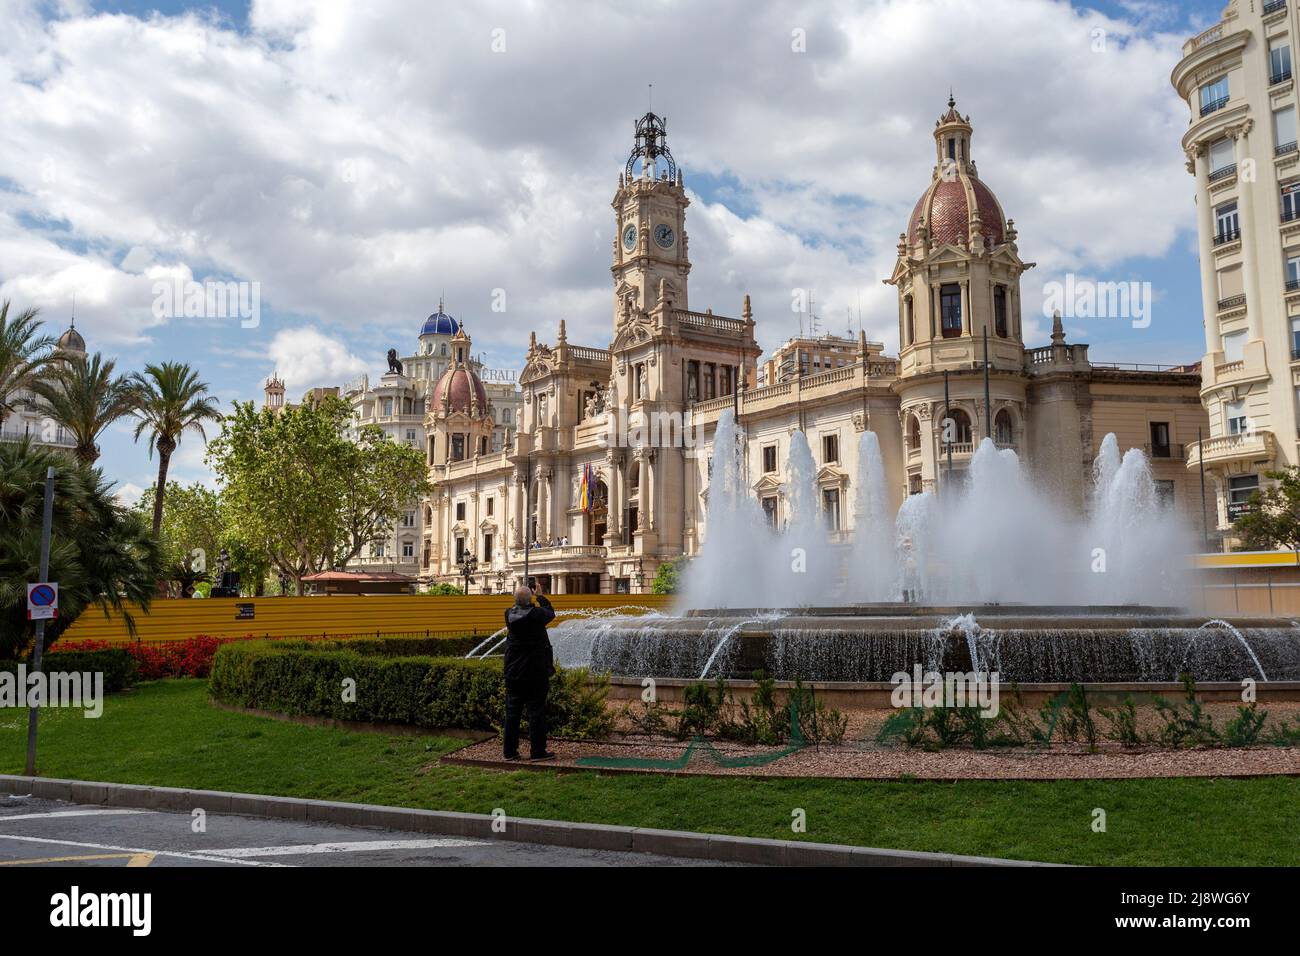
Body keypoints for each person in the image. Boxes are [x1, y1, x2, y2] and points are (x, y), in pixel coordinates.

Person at [502, 581, 556, 761]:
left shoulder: (509, 614)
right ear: (531, 599)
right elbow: (550, 611)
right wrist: (539, 595)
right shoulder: (536, 615)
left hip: (513, 671)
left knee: (512, 713)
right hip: (535, 672)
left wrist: (522, 598)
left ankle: (509, 751)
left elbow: (517, 605)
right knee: (536, 712)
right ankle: (537, 751)